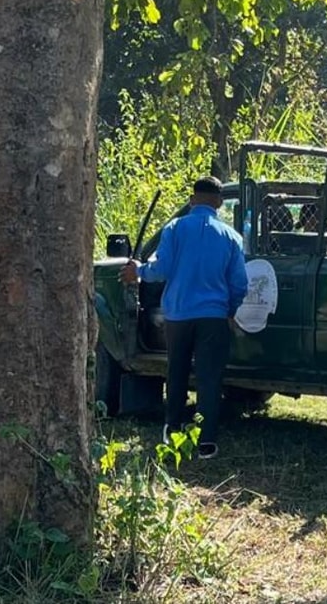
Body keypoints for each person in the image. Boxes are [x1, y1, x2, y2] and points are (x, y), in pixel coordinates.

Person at [120, 176, 248, 460]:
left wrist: (138, 271)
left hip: (177, 315)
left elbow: (161, 269)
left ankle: (172, 428)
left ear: (192, 200)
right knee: (209, 377)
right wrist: (230, 309)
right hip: (214, 317)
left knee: (176, 372)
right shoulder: (232, 238)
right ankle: (206, 441)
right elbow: (239, 283)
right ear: (219, 203)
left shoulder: (175, 228)